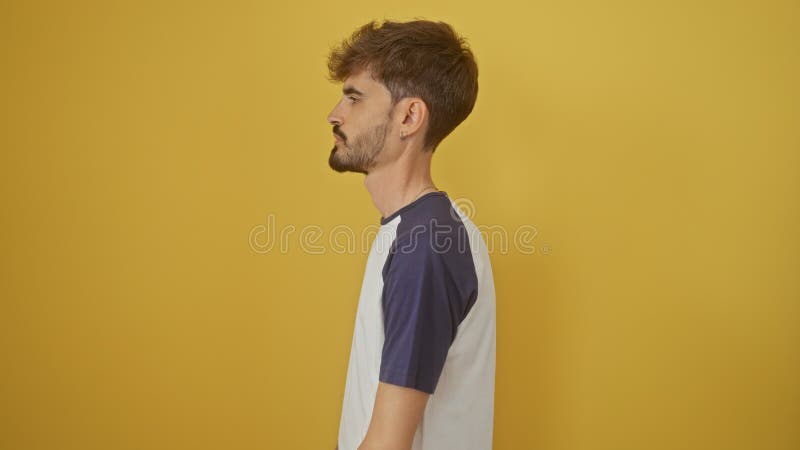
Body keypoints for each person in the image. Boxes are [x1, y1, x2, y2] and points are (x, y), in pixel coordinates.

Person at [325, 18, 497, 450]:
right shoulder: (419, 232)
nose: (335, 115)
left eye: (354, 98)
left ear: (409, 116)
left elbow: (387, 443)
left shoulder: (426, 245)